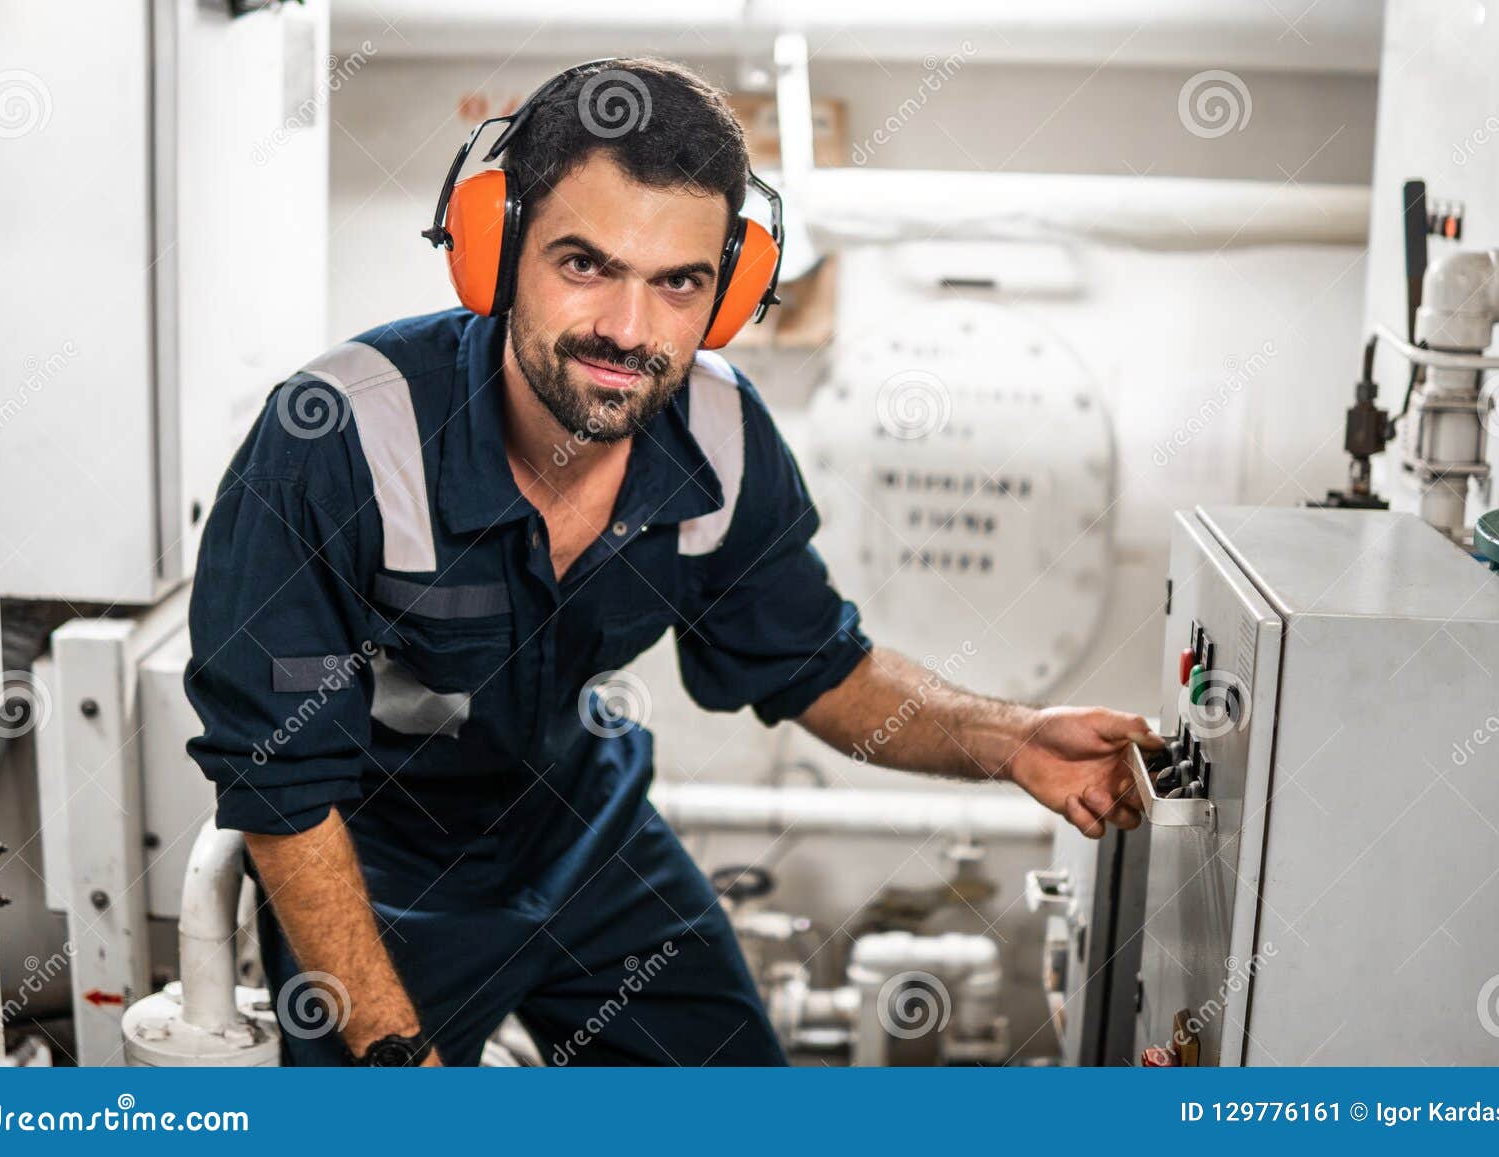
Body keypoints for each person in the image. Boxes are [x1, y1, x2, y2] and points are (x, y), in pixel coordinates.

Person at [184, 56, 1158, 1068]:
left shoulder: (723, 436)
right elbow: (281, 784)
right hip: (375, 870)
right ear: (497, 250)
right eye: (583, 264)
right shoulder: (335, 437)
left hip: (585, 837)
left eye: (678, 282)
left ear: (727, 293)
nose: (627, 329)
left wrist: (1012, 739)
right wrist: (398, 1062)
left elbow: (818, 668)